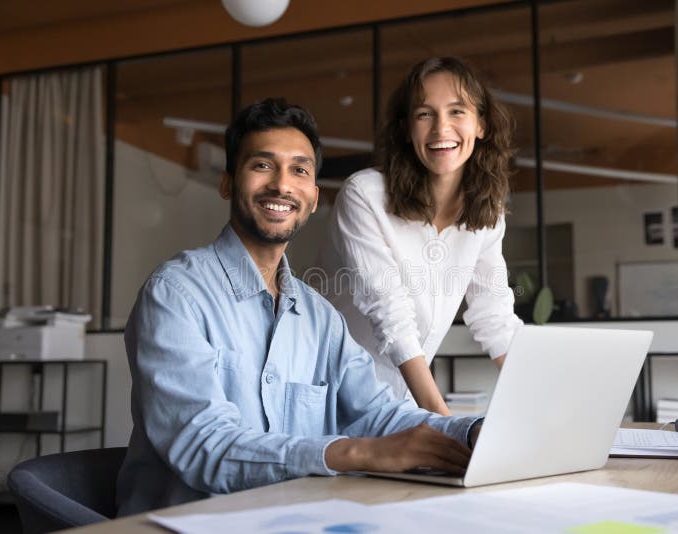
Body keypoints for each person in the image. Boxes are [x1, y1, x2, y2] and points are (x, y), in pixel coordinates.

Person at [115, 98, 481, 516]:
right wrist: (359, 454)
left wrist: (473, 433)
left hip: (292, 521)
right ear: (227, 183)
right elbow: (205, 446)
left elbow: (379, 415)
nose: (282, 185)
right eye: (262, 166)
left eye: (300, 171)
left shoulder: (321, 318)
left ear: (312, 197)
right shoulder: (175, 294)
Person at [317, 57, 523, 415]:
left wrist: (544, 404)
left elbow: (495, 316)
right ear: (406, 128)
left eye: (457, 111)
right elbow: (391, 316)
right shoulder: (364, 195)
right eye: (425, 114)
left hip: (402, 403)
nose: (441, 129)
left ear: (482, 124)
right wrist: (442, 422)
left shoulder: (486, 215)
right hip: (330, 396)